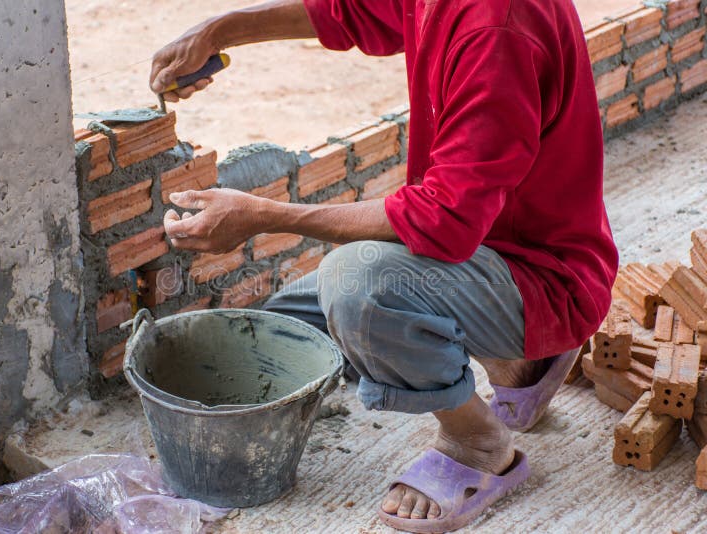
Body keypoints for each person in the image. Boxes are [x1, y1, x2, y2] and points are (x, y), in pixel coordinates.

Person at [151, 1, 618, 531]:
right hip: (487, 247)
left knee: (355, 285)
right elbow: (351, 12)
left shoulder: (497, 28)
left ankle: (477, 441)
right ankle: (521, 364)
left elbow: (443, 218)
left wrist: (265, 215)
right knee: (292, 321)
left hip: (543, 277)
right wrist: (219, 30)